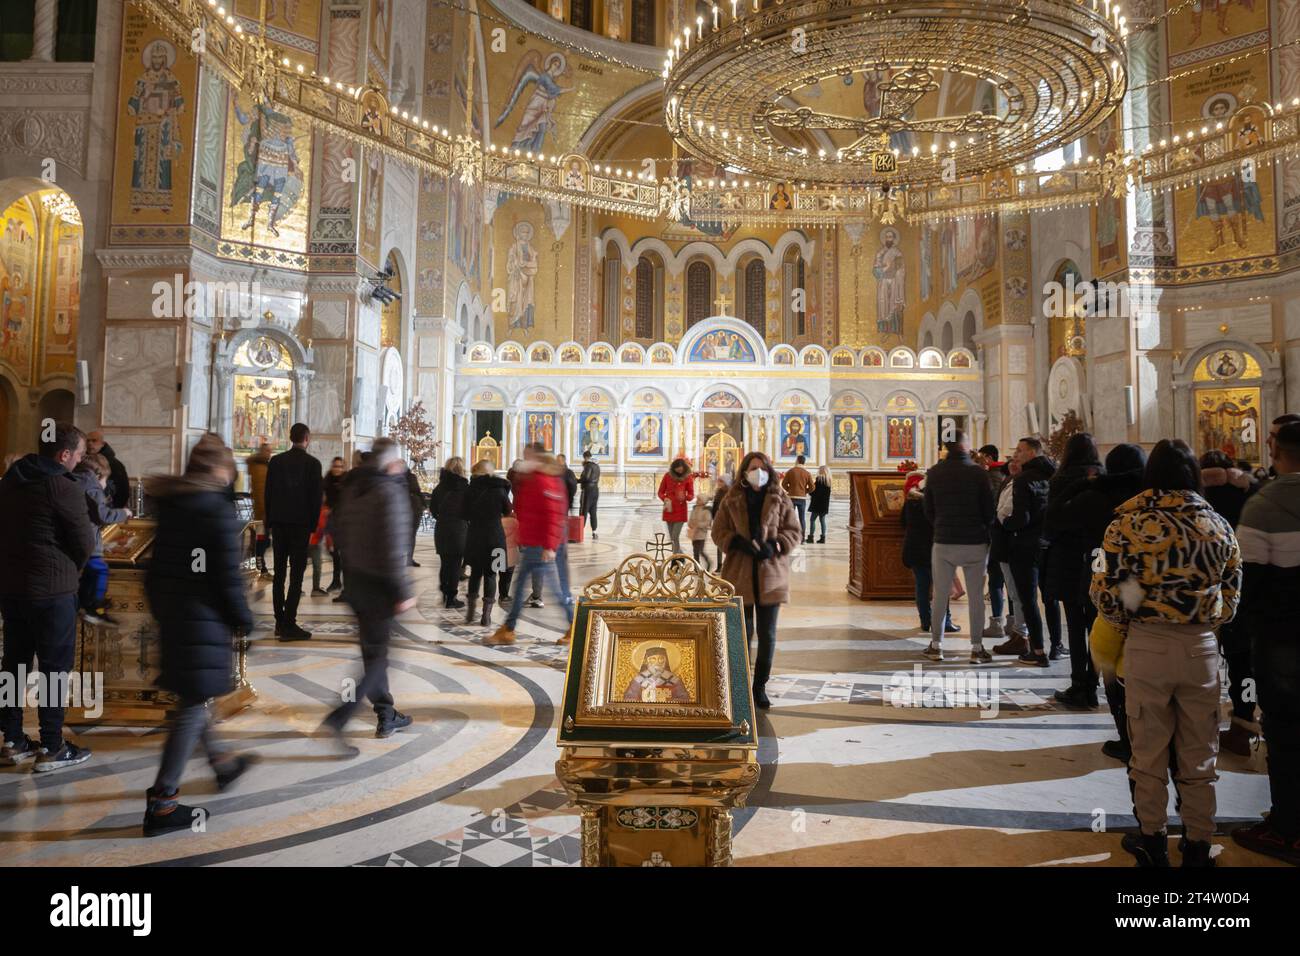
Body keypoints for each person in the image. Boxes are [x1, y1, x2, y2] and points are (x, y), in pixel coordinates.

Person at [1092, 439, 1241, 868]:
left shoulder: (1126, 524)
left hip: (1147, 645)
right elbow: (1231, 597)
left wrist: (1132, 616)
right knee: (1200, 752)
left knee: (1148, 750)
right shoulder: (1219, 525)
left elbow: (1110, 593)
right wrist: (1202, 618)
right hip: (1201, 648)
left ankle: (1152, 841)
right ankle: (1197, 845)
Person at [141, 434, 256, 836]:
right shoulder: (215, 511)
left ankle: (221, 764)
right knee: (192, 705)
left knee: (195, 694)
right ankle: (163, 803)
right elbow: (226, 578)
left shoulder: (173, 506)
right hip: (202, 620)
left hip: (175, 614)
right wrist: (244, 619)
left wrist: (164, 610)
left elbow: (155, 571)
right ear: (222, 470)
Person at [0, 423, 96, 771]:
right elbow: (84, 541)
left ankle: (12, 741)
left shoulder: (10, 481)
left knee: (14, 665)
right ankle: (53, 746)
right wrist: (74, 568)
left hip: (13, 588)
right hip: (53, 591)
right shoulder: (61, 485)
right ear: (65, 455)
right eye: (80, 455)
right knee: (54, 670)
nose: (81, 461)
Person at [1232, 422, 1300, 865]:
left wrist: (1238, 636)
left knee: (1287, 729)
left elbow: (1247, 583)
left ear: (1274, 450)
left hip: (1284, 634)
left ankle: (1288, 829)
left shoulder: (1264, 504)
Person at [1052, 443, 1147, 762]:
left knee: (1109, 653)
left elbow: (1054, 518)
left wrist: (1082, 484)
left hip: (1105, 583)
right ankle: (1147, 732)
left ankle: (1126, 734)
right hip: (1146, 590)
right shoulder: (1150, 499)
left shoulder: (1096, 497)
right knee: (1141, 657)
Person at [323, 438, 416, 744]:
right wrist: (402, 590)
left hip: (356, 582)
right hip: (380, 587)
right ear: (391, 463)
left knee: (372, 653)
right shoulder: (389, 491)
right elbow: (393, 546)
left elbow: (337, 532)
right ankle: (341, 717)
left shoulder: (352, 489)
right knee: (379, 659)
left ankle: (386, 713)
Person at [712, 451, 802, 708]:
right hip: (740, 572)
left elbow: (794, 531)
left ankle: (760, 685)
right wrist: (735, 541)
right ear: (744, 471)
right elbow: (718, 531)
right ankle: (740, 685)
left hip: (770, 574)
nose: (758, 472)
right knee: (741, 633)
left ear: (769, 470)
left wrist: (775, 545)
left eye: (762, 468)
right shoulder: (732, 499)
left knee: (767, 634)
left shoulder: (780, 497)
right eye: (753, 467)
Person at [1199, 449, 1256, 755]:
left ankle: (1203, 727)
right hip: (1243, 589)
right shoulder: (1250, 495)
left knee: (1204, 663)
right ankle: (1244, 724)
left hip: (1205, 593)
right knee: (1243, 663)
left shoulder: (1199, 498)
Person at [921, 429, 995, 662]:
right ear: (965, 445)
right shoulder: (978, 473)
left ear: (945, 447)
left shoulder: (934, 472)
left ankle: (936, 645)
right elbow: (989, 511)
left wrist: (941, 525)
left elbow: (928, 509)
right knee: (975, 597)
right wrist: (981, 529)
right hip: (975, 542)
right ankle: (976, 648)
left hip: (943, 541)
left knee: (940, 595)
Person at [489, 443, 572, 646]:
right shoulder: (533, 478)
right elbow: (526, 509)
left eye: (528, 455)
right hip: (533, 541)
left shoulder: (545, 479)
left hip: (542, 544)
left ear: (537, 457)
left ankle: (574, 626)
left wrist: (550, 546)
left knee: (554, 588)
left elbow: (554, 514)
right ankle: (508, 629)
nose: (525, 458)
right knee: (520, 588)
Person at [1042, 433, 1102, 689]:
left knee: (1075, 625)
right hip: (1098, 557)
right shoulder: (1103, 477)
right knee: (1097, 622)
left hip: (1067, 556)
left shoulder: (1061, 479)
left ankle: (1079, 682)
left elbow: (1052, 520)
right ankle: (1096, 678)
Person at [999, 437, 1056, 667]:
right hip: (1046, 544)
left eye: (1020, 450)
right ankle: (1055, 647)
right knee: (1048, 598)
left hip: (1024, 547)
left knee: (1028, 601)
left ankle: (1038, 651)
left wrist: (1005, 523)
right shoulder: (1053, 476)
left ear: (1032, 453)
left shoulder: (1023, 480)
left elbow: (1021, 517)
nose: (1016, 454)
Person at [264, 423, 323, 641]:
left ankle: (279, 622)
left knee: (279, 574)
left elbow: (268, 493)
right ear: (307, 439)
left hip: (279, 524)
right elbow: (315, 499)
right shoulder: (313, 464)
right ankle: (289, 623)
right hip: (300, 526)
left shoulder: (276, 462)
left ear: (290, 438)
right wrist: (312, 527)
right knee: (296, 576)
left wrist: (270, 521)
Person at [72, 453, 133, 625]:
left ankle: (82, 604)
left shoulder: (73, 480)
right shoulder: (91, 486)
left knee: (89, 575)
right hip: (89, 540)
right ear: (98, 475)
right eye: (105, 480)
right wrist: (124, 513)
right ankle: (95, 607)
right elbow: (102, 515)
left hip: (78, 539)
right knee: (100, 569)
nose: (105, 484)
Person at [900, 471, 954, 634]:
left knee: (922, 587)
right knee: (941, 588)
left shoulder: (910, 502)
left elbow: (903, 522)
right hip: (934, 550)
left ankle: (925, 621)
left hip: (915, 550)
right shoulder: (937, 502)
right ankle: (945, 622)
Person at [462, 459, 512, 627]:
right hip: (495, 537)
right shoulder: (499, 490)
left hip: (475, 536)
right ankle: (486, 616)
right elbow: (508, 511)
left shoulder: (470, 490)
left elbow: (464, 513)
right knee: (492, 574)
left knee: (475, 573)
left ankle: (470, 613)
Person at [976, 445, 1010, 640]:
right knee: (1009, 581)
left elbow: (986, 507)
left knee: (996, 579)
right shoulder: (1007, 477)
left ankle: (997, 622)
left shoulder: (989, 478)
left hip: (993, 533)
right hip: (1008, 533)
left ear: (988, 458)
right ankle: (1013, 623)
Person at [428, 457, 470, 609]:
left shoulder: (439, 488)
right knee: (455, 565)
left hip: (442, 528)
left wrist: (442, 517)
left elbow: (433, 509)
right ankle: (451, 598)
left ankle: (445, 592)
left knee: (445, 563)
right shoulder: (465, 487)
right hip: (458, 529)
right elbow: (469, 510)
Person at [247, 442, 273, 576]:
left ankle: (259, 561)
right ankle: (261, 566)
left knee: (263, 538)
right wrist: (264, 512)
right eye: (267, 451)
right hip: (263, 511)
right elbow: (261, 492)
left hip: (264, 510)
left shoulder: (262, 465)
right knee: (263, 539)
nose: (269, 454)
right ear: (262, 452)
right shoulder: (260, 468)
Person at [658, 458, 695, 554]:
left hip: (680, 510)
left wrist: (685, 497)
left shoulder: (688, 477)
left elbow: (691, 494)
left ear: (684, 468)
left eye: (681, 469)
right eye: (677, 469)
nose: (679, 471)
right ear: (673, 468)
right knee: (672, 538)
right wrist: (664, 498)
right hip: (669, 509)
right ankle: (680, 556)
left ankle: (675, 559)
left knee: (675, 536)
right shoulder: (667, 476)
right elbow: (660, 492)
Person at [86, 430, 131, 510]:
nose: (90, 443)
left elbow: (123, 490)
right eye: (88, 440)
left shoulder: (115, 464)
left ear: (102, 444)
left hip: (108, 510)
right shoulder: (80, 461)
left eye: (94, 440)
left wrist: (113, 511)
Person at [322, 456, 346, 592]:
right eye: (335, 466)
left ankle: (340, 582)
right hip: (331, 521)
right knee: (333, 551)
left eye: (340, 466)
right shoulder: (327, 480)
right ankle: (336, 581)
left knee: (340, 553)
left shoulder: (347, 481)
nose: (337, 469)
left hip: (343, 522)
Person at [782, 454, 814, 542]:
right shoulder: (807, 473)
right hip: (802, 498)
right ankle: (803, 539)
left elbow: (783, 484)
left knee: (790, 518)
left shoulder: (791, 471)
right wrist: (805, 491)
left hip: (791, 497)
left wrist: (790, 490)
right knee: (802, 518)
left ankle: (789, 538)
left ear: (797, 461)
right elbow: (812, 487)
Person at [405, 464, 426, 567]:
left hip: (410, 508)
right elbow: (418, 491)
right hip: (415, 508)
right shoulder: (411, 477)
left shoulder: (396, 479)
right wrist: (424, 505)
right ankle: (409, 558)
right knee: (411, 535)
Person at [579, 450, 601, 540]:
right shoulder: (597, 465)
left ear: (585, 457)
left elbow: (586, 477)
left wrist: (578, 480)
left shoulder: (588, 465)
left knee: (584, 510)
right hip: (595, 490)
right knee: (593, 512)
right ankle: (594, 532)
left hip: (588, 490)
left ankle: (580, 532)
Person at [807, 465, 831, 544]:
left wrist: (809, 492)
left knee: (812, 520)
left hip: (817, 504)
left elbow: (815, 492)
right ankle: (823, 538)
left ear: (821, 471)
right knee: (822, 521)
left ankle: (810, 537)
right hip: (824, 505)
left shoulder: (818, 480)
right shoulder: (828, 481)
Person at [687, 496, 713, 567]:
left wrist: (698, 524)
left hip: (701, 535)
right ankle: (696, 567)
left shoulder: (706, 511)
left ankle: (708, 562)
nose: (697, 500)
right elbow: (690, 520)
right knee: (695, 552)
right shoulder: (694, 509)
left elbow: (707, 522)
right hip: (694, 534)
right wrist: (690, 524)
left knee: (700, 551)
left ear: (703, 501)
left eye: (699, 499)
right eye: (697, 499)